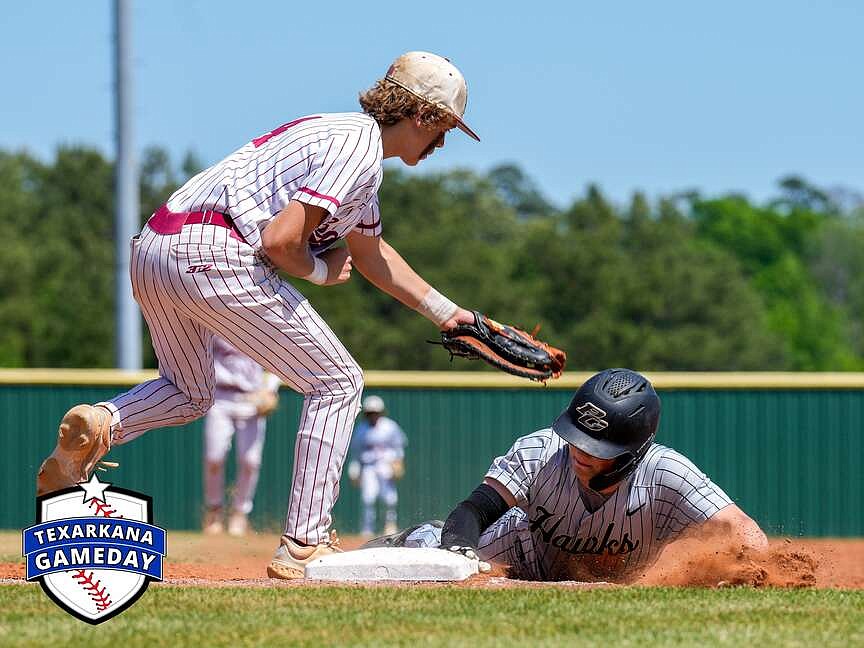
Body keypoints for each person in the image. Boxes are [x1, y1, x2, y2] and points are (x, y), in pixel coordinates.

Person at [35, 50, 481, 580]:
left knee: (189, 391)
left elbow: (372, 257)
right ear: (423, 115)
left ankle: (101, 423)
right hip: (217, 253)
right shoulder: (359, 149)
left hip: (155, 247)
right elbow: (279, 241)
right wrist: (317, 271)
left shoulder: (342, 140)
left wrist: (451, 315)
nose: (444, 142)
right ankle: (304, 545)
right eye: (446, 126)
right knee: (337, 383)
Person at [367, 368, 767, 583]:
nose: (579, 452)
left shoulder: (666, 473)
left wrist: (745, 570)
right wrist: (458, 550)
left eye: (597, 449)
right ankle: (411, 536)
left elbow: (746, 533)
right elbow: (475, 509)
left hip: (598, 575)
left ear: (634, 451)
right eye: (577, 438)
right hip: (512, 554)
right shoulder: (542, 451)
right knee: (433, 553)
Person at [202, 335, 280, 537]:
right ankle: (214, 511)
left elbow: (279, 355)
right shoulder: (212, 317)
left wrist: (270, 389)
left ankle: (240, 513)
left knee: (250, 461)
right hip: (219, 395)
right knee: (214, 458)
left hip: (252, 398)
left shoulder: (258, 319)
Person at [348, 395, 407, 537]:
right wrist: (355, 469)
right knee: (368, 498)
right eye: (370, 413)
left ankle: (390, 527)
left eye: (376, 412)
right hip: (369, 466)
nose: (373, 415)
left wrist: (398, 462)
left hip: (386, 465)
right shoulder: (361, 429)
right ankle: (367, 530)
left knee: (390, 498)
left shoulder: (389, 426)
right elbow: (356, 452)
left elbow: (399, 447)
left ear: (381, 412)